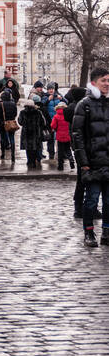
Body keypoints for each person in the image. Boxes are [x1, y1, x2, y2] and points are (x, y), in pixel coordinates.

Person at [71, 64, 109, 248]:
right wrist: (83, 163)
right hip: (92, 163)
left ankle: (107, 233)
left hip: (108, 161)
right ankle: (89, 233)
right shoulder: (84, 105)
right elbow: (77, 136)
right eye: (104, 80)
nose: (107, 83)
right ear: (94, 82)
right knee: (92, 200)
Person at [63, 86, 93, 218]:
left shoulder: (70, 108)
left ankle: (79, 206)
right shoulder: (80, 108)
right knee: (86, 179)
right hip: (83, 147)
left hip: (76, 146)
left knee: (82, 179)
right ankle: (83, 208)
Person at [18, 97, 47, 170]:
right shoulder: (38, 112)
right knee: (35, 147)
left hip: (26, 133)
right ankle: (34, 161)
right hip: (36, 133)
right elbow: (43, 122)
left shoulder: (22, 112)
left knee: (28, 148)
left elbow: (20, 122)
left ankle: (29, 161)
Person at [51, 100, 75, 172]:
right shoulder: (68, 115)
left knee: (60, 151)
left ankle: (60, 166)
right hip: (67, 135)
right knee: (68, 149)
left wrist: (55, 129)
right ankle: (71, 160)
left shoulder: (56, 116)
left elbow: (53, 125)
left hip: (59, 135)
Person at [0, 88, 18, 166]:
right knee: (12, 139)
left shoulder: (1, 104)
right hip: (11, 123)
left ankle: (3, 154)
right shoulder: (13, 104)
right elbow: (15, 113)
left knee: (2, 139)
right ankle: (13, 156)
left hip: (3, 123)